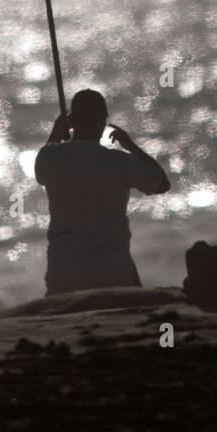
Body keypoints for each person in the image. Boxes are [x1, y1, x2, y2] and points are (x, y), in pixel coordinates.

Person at [34, 87, 170, 294]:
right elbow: (161, 184)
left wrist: (56, 131)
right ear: (104, 121)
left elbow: (41, 169)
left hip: (63, 267)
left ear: (71, 121)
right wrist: (131, 145)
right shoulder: (120, 162)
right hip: (112, 265)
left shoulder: (50, 157)